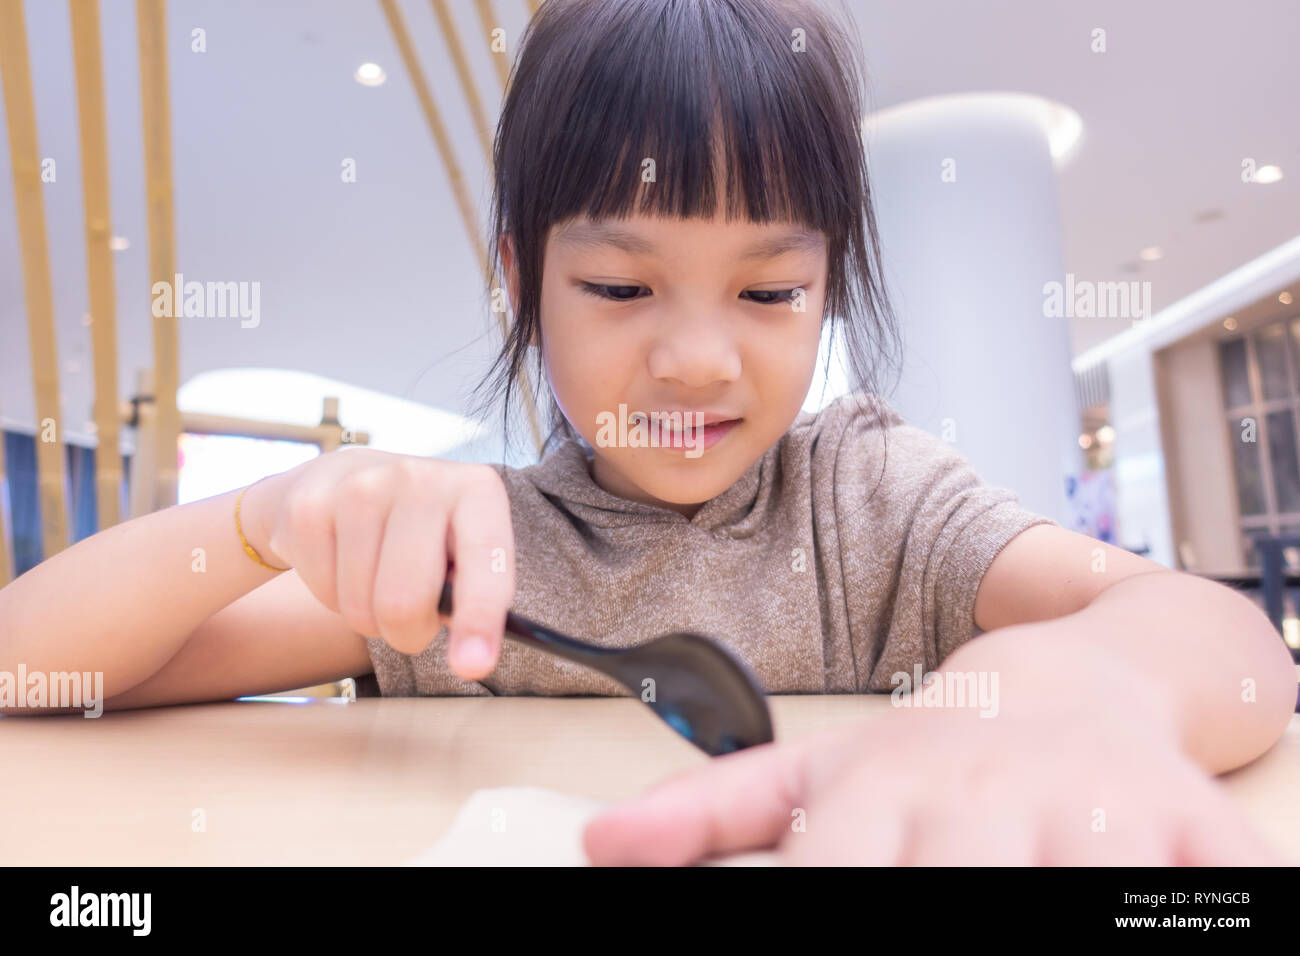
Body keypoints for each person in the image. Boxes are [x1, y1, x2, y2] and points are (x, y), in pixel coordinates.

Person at [0, 0, 1292, 865]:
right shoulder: (474, 565)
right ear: (522, 280)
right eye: (620, 287)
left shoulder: (878, 503)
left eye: (769, 291)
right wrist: (258, 520)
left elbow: (1220, 640)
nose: (696, 356)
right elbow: (28, 674)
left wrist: (1070, 686)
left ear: (828, 288)